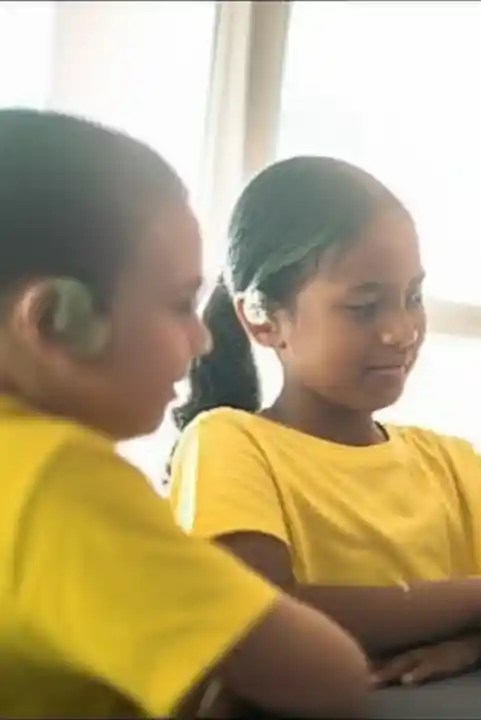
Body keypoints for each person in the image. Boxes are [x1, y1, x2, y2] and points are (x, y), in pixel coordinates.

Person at [167, 155, 481, 688]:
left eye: (412, 298)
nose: (401, 330)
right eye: (364, 306)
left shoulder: (452, 463)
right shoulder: (230, 442)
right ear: (263, 320)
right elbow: (258, 618)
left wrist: (480, 642)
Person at [0, 109, 369, 717]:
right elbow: (327, 675)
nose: (202, 340)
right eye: (178, 305)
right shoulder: (56, 479)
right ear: (53, 323)